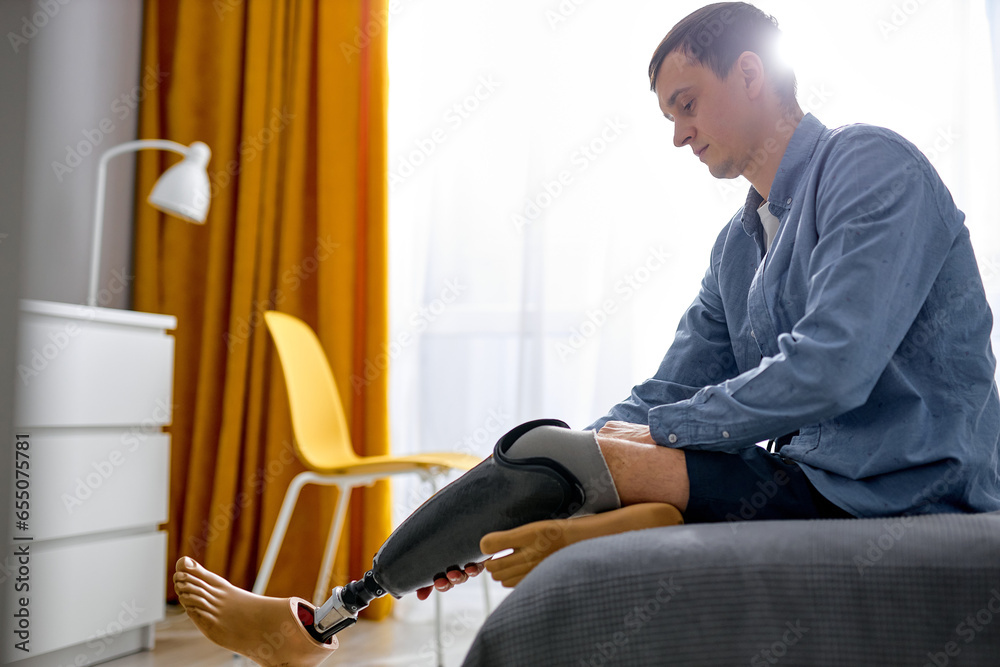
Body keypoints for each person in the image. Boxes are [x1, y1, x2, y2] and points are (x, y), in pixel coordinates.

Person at [174, 2, 1000, 663]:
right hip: (810, 481)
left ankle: (319, 621)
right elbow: (669, 385)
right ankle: (326, 618)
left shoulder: (870, 167)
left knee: (556, 458)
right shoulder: (738, 244)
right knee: (556, 450)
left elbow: (831, 370)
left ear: (751, 75)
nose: (678, 133)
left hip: (909, 488)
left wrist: (616, 447)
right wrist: (591, 443)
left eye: (686, 104)